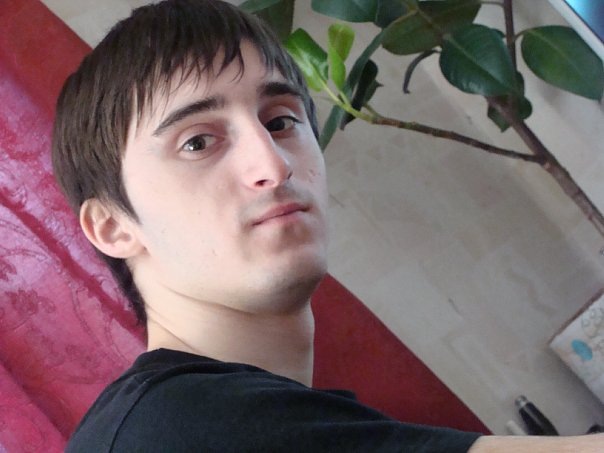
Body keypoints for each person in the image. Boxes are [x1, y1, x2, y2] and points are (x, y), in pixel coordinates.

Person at [52, 0, 603, 451]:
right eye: (198, 142)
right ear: (112, 226)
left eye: (280, 121)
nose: (273, 165)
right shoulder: (172, 430)